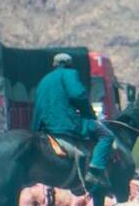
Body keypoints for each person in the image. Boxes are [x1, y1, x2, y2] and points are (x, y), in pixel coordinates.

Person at [31, 53, 115, 191]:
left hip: (45, 126)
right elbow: (78, 95)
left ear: (54, 64)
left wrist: (35, 129)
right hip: (66, 123)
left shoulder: (44, 79)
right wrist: (90, 116)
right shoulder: (70, 74)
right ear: (70, 64)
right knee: (107, 136)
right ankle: (95, 172)